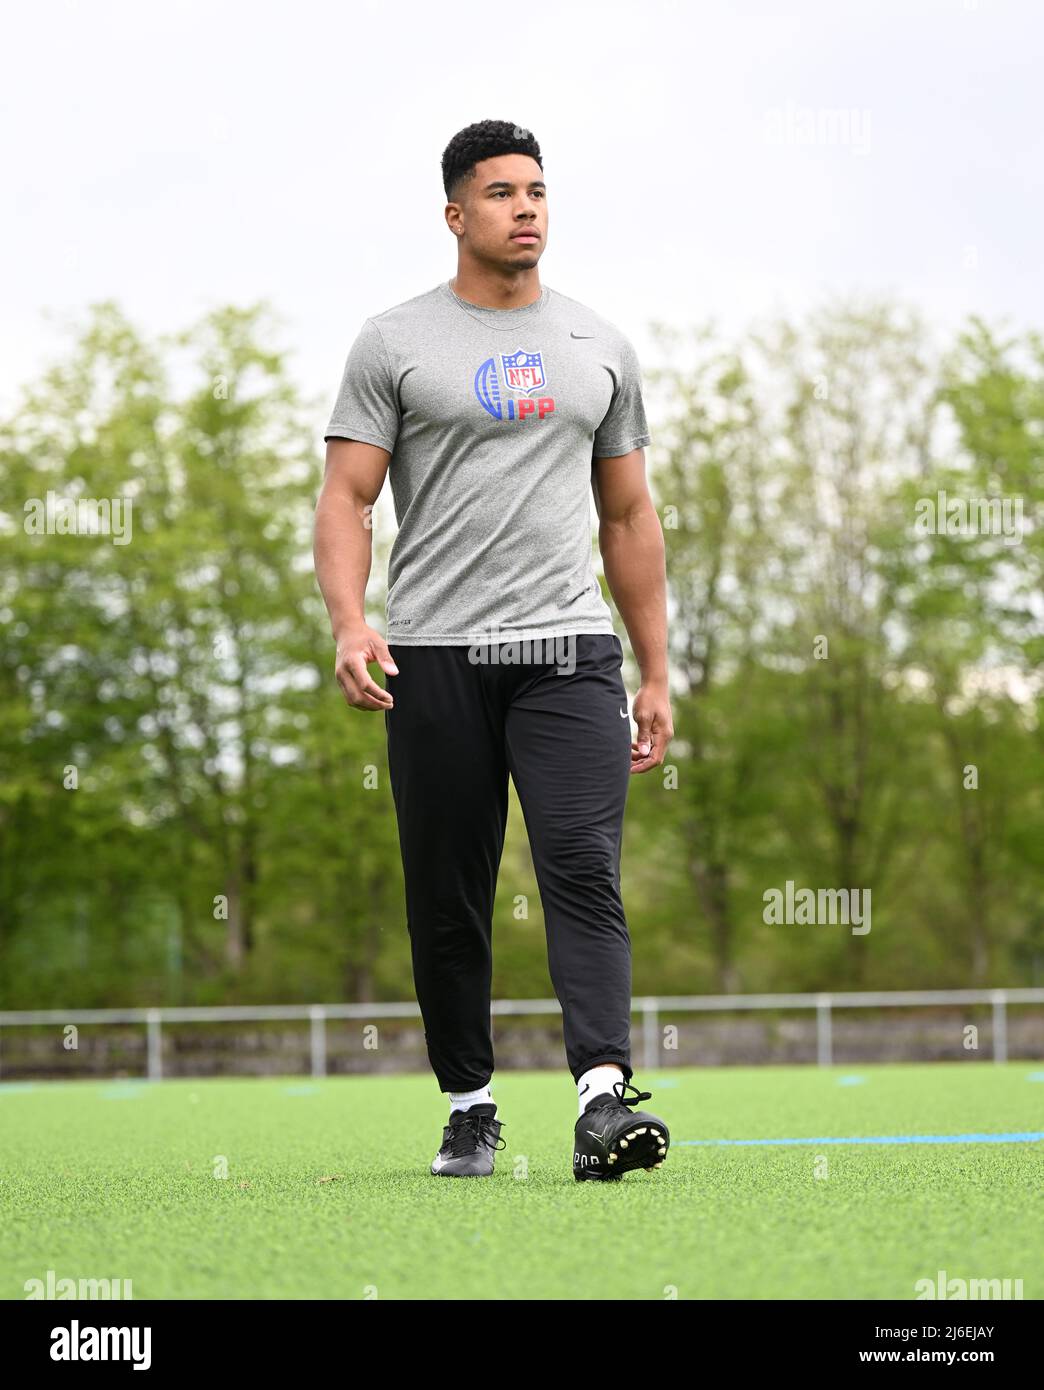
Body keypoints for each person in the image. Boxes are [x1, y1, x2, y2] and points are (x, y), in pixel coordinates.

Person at [313, 119, 674, 1182]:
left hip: (568, 651)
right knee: (446, 889)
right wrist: (350, 621)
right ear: (456, 214)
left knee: (580, 863)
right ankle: (469, 1103)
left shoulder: (599, 345)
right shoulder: (394, 342)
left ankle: (603, 1097)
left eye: (539, 191)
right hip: (433, 654)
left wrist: (656, 670)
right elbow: (346, 495)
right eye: (504, 193)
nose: (527, 209)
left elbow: (629, 517)